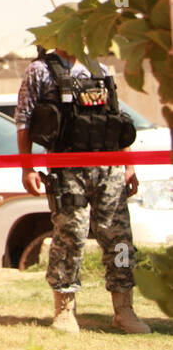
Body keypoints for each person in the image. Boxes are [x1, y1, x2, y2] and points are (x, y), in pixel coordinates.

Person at [16, 43, 148, 334]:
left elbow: (116, 118)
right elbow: (24, 120)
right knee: (70, 235)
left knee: (120, 239)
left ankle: (124, 308)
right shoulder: (40, 70)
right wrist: (27, 168)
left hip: (109, 167)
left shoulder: (97, 66)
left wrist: (129, 165)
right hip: (68, 169)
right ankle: (64, 309)